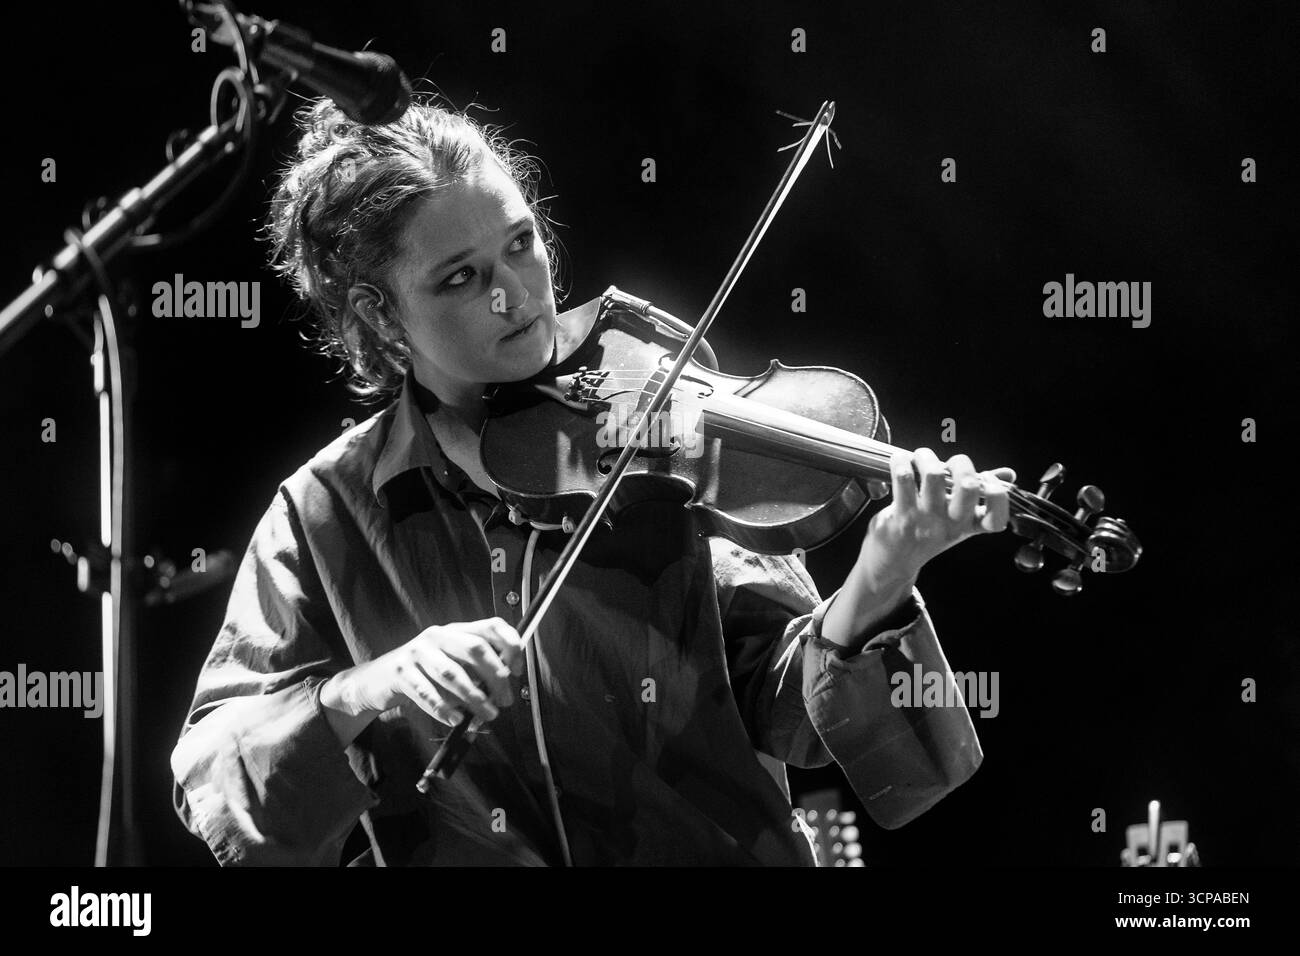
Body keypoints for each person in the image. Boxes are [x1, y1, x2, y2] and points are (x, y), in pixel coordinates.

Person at [170, 95, 1015, 866]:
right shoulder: (325, 514)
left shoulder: (650, 428)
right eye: (460, 278)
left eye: (521, 243)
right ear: (380, 315)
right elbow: (220, 781)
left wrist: (883, 572)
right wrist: (369, 686)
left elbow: (795, 711)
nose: (516, 295)